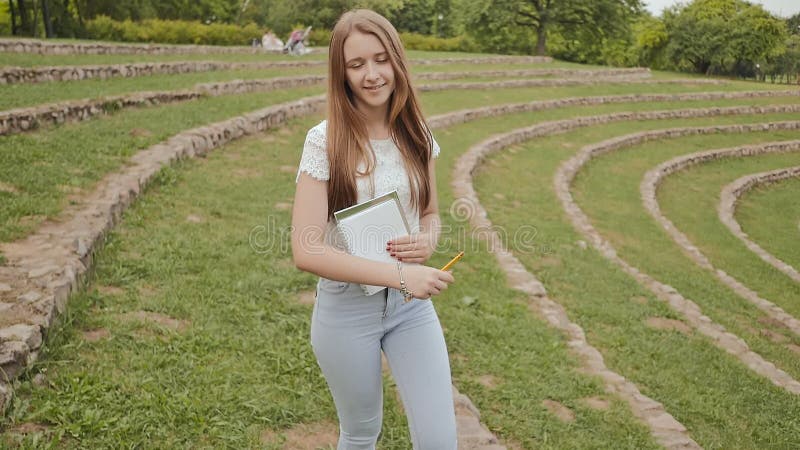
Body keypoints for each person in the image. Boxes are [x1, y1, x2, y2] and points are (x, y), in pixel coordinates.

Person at [291, 9, 458, 450]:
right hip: (346, 313)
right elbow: (306, 250)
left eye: (381, 59)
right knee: (361, 433)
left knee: (440, 440)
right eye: (356, 64)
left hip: (409, 309)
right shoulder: (323, 141)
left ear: (397, 61)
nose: (372, 74)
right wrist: (403, 275)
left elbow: (431, 213)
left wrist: (428, 240)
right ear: (341, 73)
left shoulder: (417, 134)